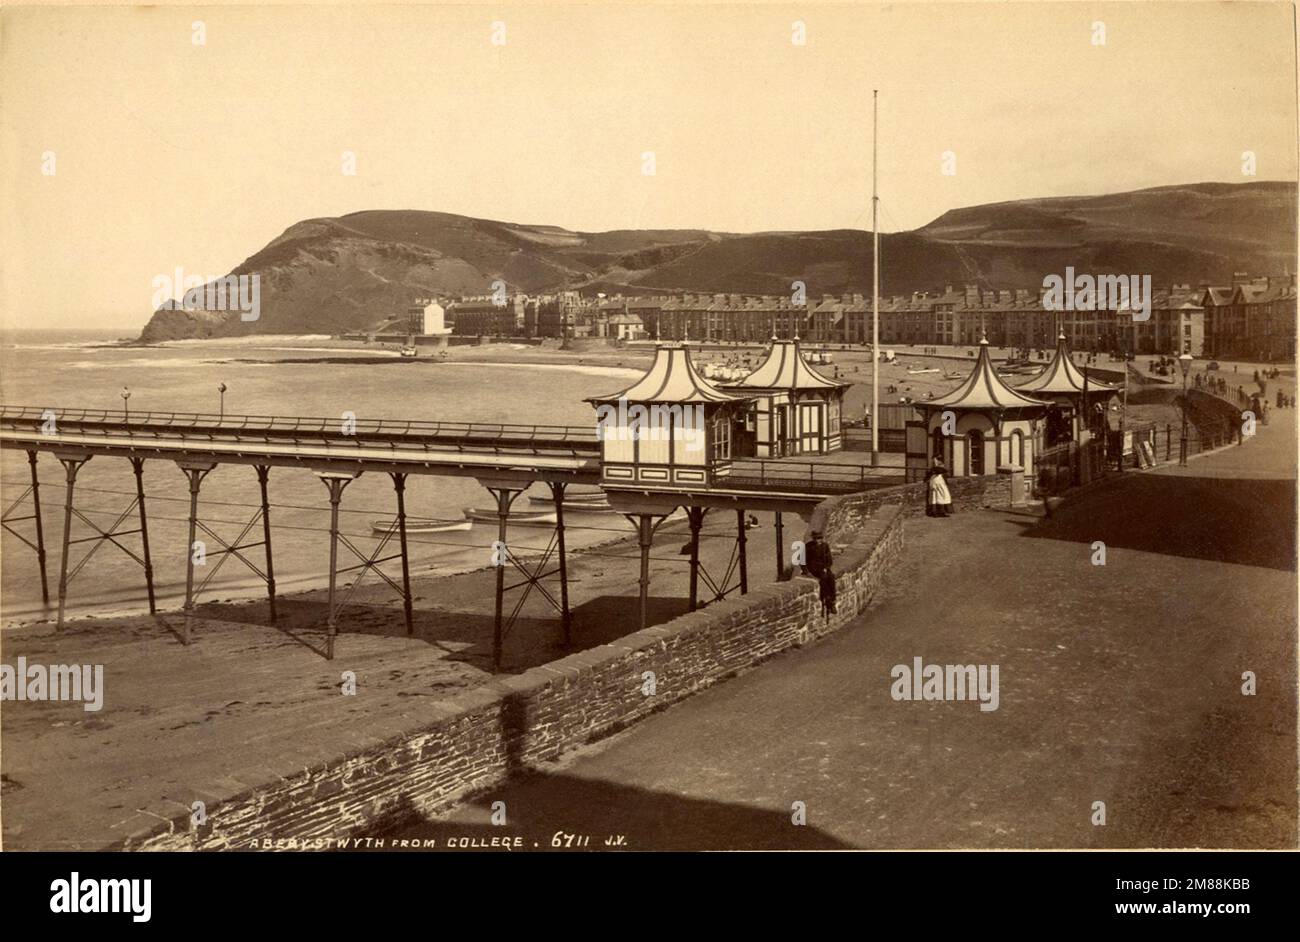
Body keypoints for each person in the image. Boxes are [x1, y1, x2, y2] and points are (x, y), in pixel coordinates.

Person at [803, 530, 837, 616]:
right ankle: (827, 598)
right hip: (814, 569)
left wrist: (826, 567)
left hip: (824, 568)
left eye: (820, 538)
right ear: (813, 539)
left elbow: (829, 560)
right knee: (824, 578)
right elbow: (802, 561)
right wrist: (807, 572)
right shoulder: (808, 547)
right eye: (817, 538)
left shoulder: (825, 546)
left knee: (831, 577)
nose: (819, 540)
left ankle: (832, 599)